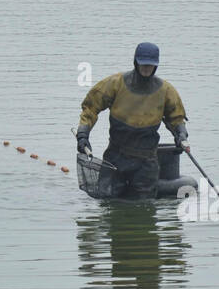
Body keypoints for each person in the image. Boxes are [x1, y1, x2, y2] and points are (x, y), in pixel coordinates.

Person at [76, 42, 189, 199]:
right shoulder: (115, 83)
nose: (146, 69)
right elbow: (90, 108)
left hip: (146, 161)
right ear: (135, 62)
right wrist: (83, 135)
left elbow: (176, 117)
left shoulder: (166, 91)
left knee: (143, 204)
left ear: (156, 66)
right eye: (143, 64)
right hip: (116, 156)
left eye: (150, 65)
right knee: (106, 200)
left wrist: (181, 135)